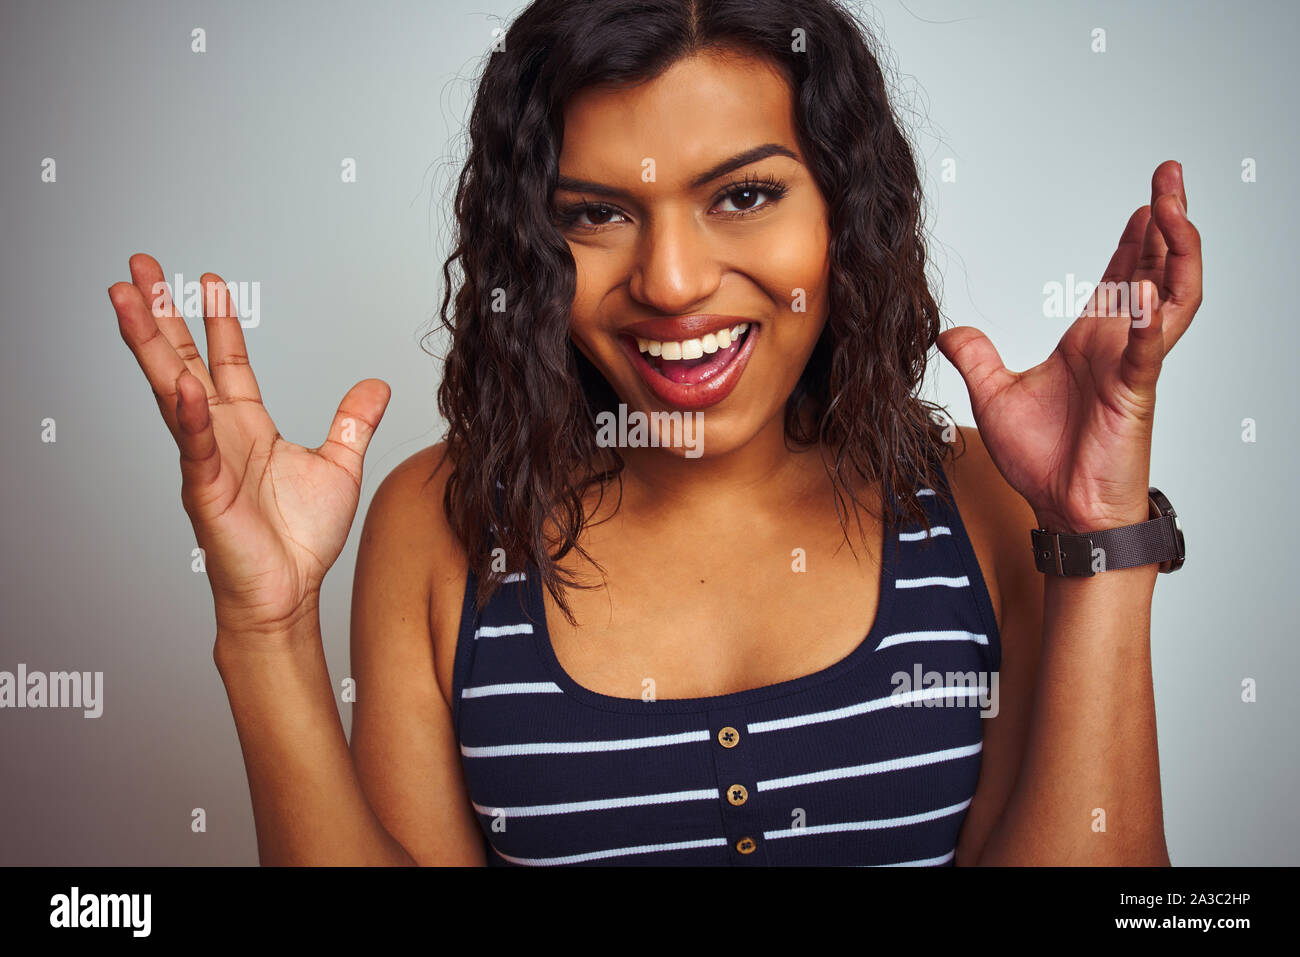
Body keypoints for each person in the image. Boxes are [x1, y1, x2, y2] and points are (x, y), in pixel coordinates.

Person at [106, 0, 1201, 866]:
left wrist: (1096, 533)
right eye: (596, 214)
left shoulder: (980, 506)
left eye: (743, 196)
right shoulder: (442, 526)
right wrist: (266, 631)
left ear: (841, 215)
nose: (670, 282)